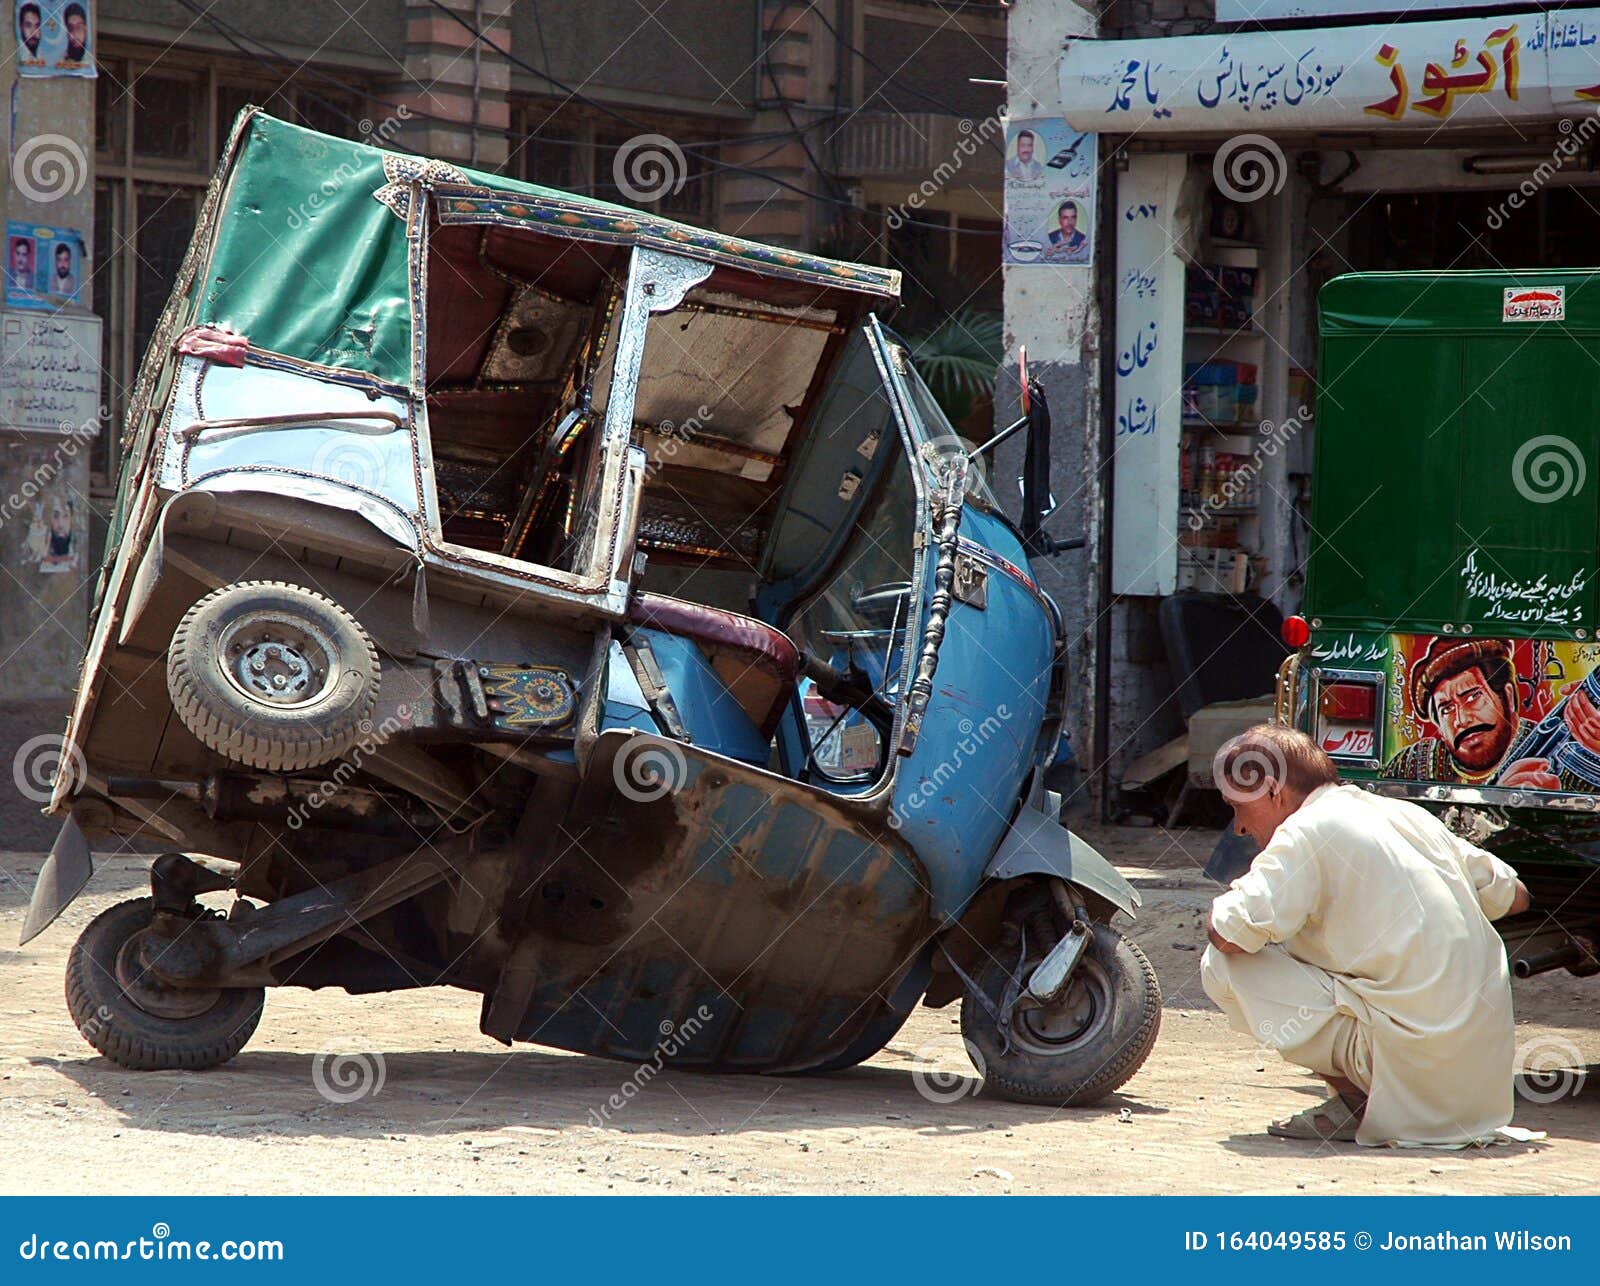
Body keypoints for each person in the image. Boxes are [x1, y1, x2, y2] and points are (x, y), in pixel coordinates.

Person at [1202, 723, 1530, 1145]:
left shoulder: (1304, 831)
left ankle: (1355, 1103)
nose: (1240, 829)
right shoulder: (1401, 813)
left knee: (1223, 965)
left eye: (1237, 808)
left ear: (1272, 792)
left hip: (1411, 1071)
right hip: (1479, 1088)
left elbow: (1228, 935)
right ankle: (1372, 1096)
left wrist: (1235, 898)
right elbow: (1516, 896)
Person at [1382, 636, 1599, 789]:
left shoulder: (1561, 753)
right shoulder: (1413, 764)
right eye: (1446, 709)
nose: (1461, 719)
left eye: (1473, 696)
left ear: (1509, 695)